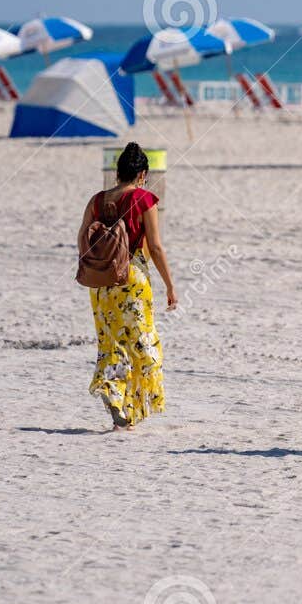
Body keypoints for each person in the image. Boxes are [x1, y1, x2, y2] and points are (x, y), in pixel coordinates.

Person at [80, 142, 176, 431]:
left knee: (111, 342)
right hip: (132, 278)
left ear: (118, 172)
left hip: (101, 281)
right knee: (142, 344)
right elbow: (155, 247)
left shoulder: (97, 200)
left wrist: (94, 267)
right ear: (142, 174)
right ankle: (127, 405)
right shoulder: (144, 199)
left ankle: (115, 396)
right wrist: (170, 285)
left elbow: (82, 237)